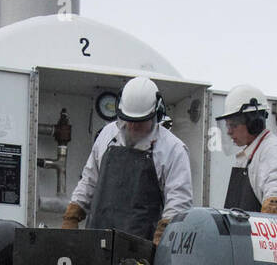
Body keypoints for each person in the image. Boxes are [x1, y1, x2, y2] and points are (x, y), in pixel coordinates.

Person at [62, 76, 192, 246]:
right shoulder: (107, 135)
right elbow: (89, 180)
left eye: (139, 122)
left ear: (155, 115)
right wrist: (72, 215)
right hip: (97, 240)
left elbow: (179, 200)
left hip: (141, 246)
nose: (132, 126)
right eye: (128, 120)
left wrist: (163, 237)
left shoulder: (173, 149)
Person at [216, 85, 277, 214]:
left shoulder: (273, 149)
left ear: (253, 123)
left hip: (256, 228)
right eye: (228, 126)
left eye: (233, 125)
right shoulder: (250, 154)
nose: (229, 132)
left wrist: (272, 209)